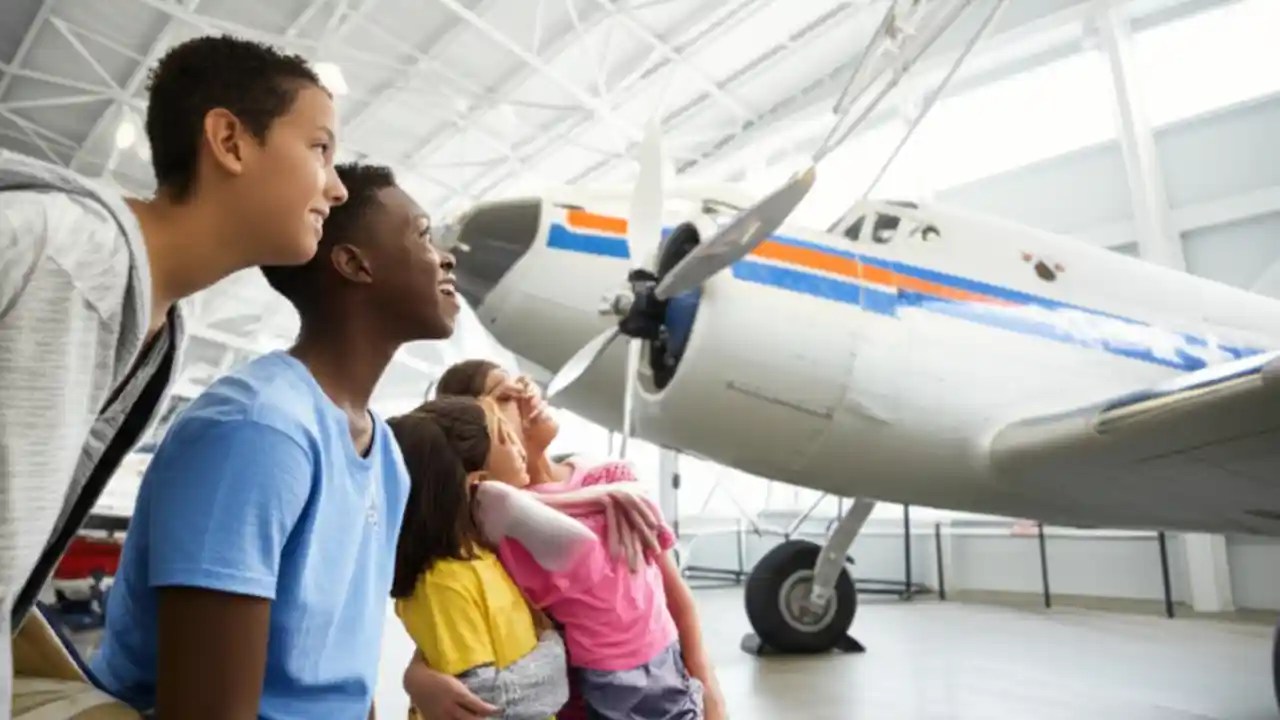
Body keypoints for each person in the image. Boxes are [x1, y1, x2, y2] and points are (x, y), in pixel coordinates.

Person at [1, 34, 348, 713]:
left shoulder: (158, 333)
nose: (335, 187)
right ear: (230, 140)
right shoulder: (52, 243)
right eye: (320, 149)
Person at [88, 161, 457, 719]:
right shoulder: (256, 429)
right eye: (425, 235)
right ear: (355, 264)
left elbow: (346, 686)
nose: (446, 257)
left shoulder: (384, 457)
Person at [406, 360, 726, 720]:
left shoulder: (612, 479)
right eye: (505, 395)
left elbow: (675, 599)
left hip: (670, 685)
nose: (526, 392)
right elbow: (451, 620)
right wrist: (415, 677)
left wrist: (710, 692)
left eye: (520, 382)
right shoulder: (495, 527)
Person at [388, 398, 598, 720]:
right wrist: (555, 650)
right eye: (501, 435)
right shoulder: (444, 581)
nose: (514, 442)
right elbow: (490, 702)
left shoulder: (484, 556)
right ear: (477, 481)